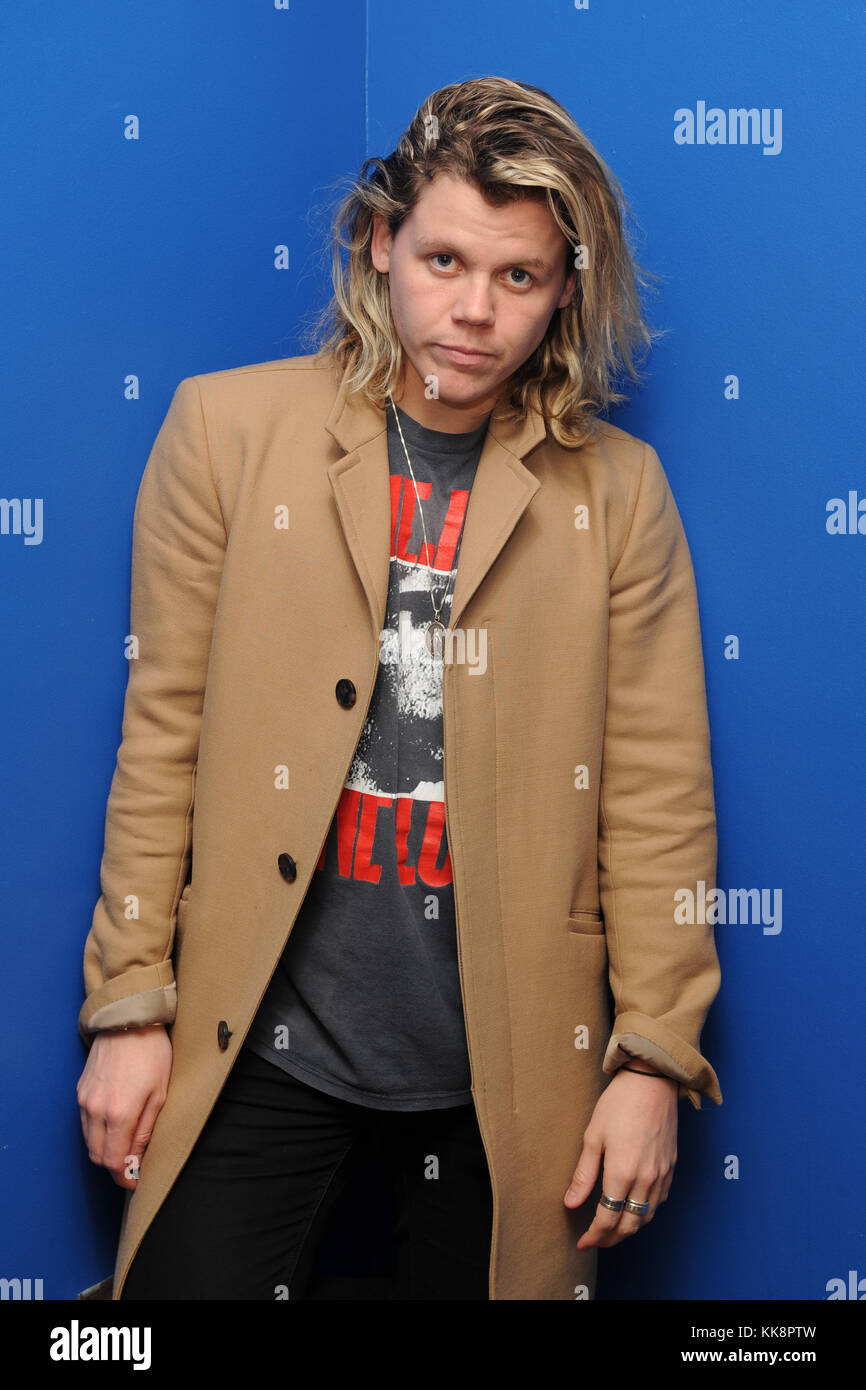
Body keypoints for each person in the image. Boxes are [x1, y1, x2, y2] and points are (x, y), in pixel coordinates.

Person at [77, 75, 722, 1302]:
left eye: (518, 278)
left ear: (565, 289)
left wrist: (651, 1057)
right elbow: (162, 731)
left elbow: (655, 793)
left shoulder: (618, 494)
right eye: (441, 259)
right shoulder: (224, 434)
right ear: (381, 244)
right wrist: (126, 1005)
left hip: (508, 1065)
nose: (471, 312)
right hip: (257, 1037)